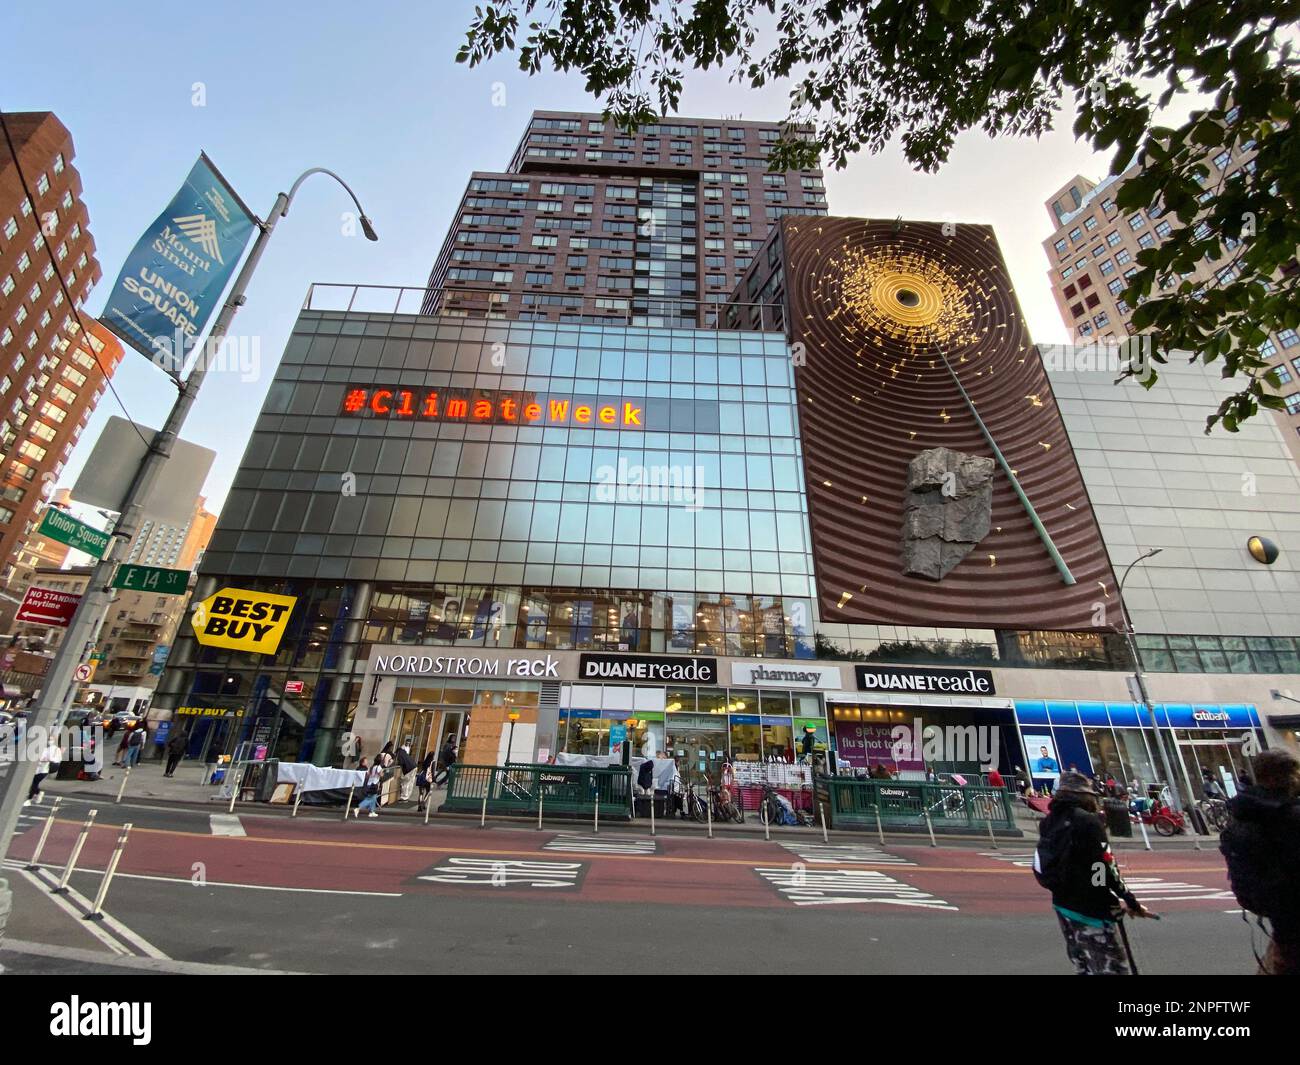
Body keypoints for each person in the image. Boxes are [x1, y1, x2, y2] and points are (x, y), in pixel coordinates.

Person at [1033, 771, 1155, 974]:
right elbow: (1103, 867)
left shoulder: (1049, 822)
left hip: (1063, 905)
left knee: (1083, 966)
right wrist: (1124, 899)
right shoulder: (1088, 822)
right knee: (1111, 967)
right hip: (1091, 910)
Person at [1219, 748, 1300, 975]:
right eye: (1293, 773)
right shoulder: (1289, 817)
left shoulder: (1246, 813)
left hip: (1280, 920)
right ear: (1278, 778)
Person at [24, 737, 62, 806]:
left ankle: (29, 799)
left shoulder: (56, 749)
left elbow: (58, 760)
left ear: (54, 741)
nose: (49, 741)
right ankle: (38, 792)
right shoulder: (40, 747)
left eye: (50, 740)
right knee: (34, 783)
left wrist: (49, 759)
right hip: (35, 768)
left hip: (45, 769)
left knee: (34, 784)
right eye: (48, 739)